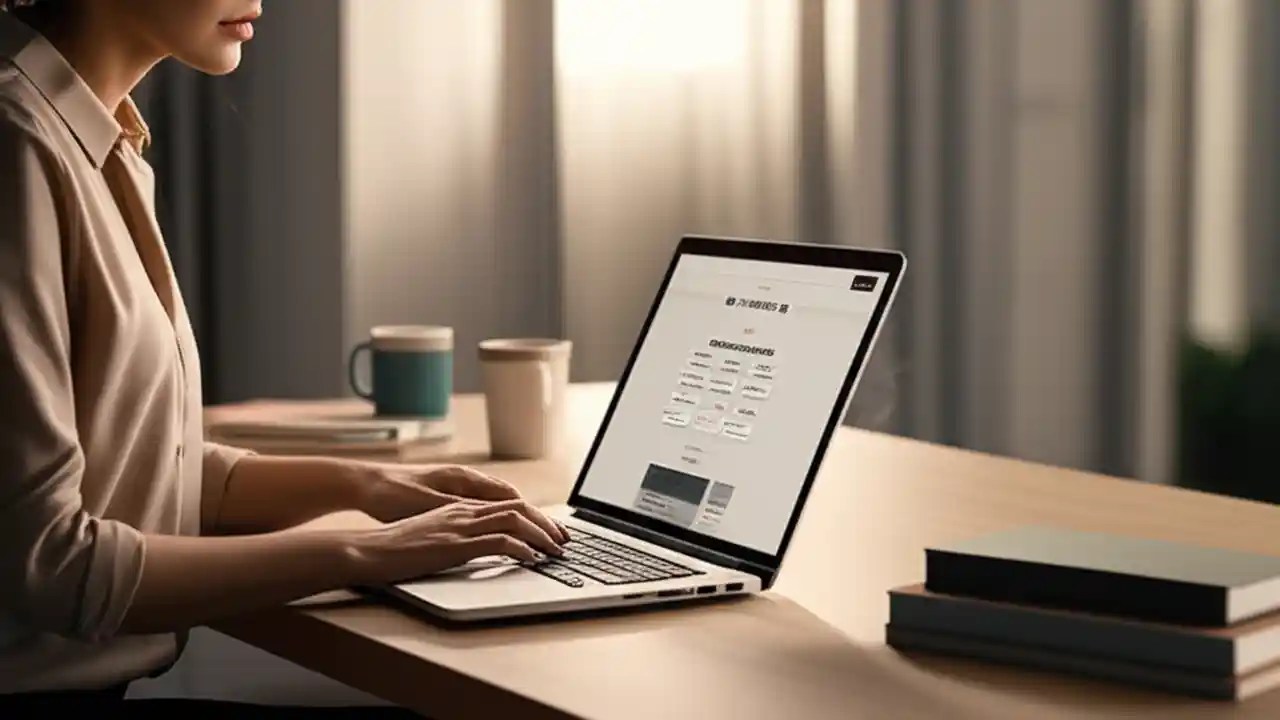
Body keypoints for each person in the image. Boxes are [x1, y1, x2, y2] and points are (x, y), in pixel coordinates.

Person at [0, 0, 568, 712]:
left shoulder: (90, 136)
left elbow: (146, 470)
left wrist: (368, 485)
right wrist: (370, 552)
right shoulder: (17, 146)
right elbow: (51, 564)